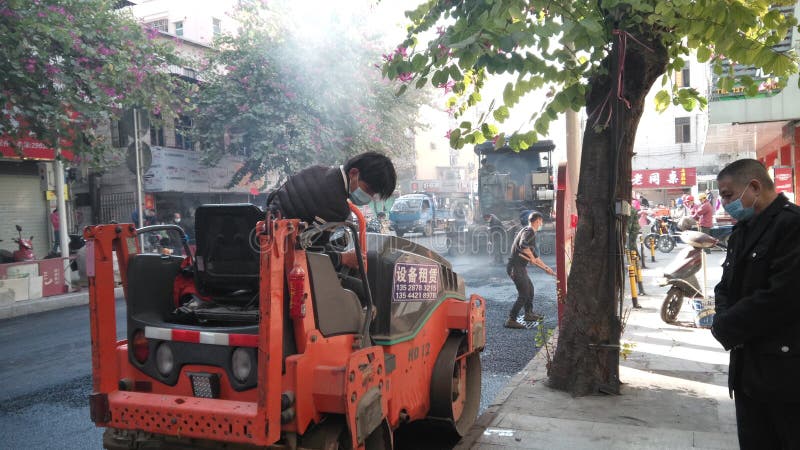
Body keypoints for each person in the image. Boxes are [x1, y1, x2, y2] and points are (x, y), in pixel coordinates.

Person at [710, 158, 800, 449]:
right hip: (747, 370)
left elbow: (782, 296)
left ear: (754, 186)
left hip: (786, 372)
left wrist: (727, 326)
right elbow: (725, 287)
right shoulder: (742, 231)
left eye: (727, 195)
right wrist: (721, 320)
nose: (725, 204)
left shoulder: (792, 225)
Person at [267, 152, 396, 268]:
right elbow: (315, 254)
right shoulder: (337, 205)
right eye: (368, 190)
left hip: (270, 241)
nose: (369, 197)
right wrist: (343, 258)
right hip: (286, 260)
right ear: (353, 173)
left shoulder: (316, 171)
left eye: (373, 194)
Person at [504, 211, 556, 329]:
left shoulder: (527, 231)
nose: (541, 223)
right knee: (524, 294)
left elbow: (535, 257)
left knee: (530, 289)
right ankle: (511, 319)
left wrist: (546, 267)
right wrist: (531, 258)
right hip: (515, 267)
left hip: (520, 267)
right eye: (541, 221)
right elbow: (523, 246)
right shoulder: (529, 231)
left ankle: (528, 313)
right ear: (537, 221)